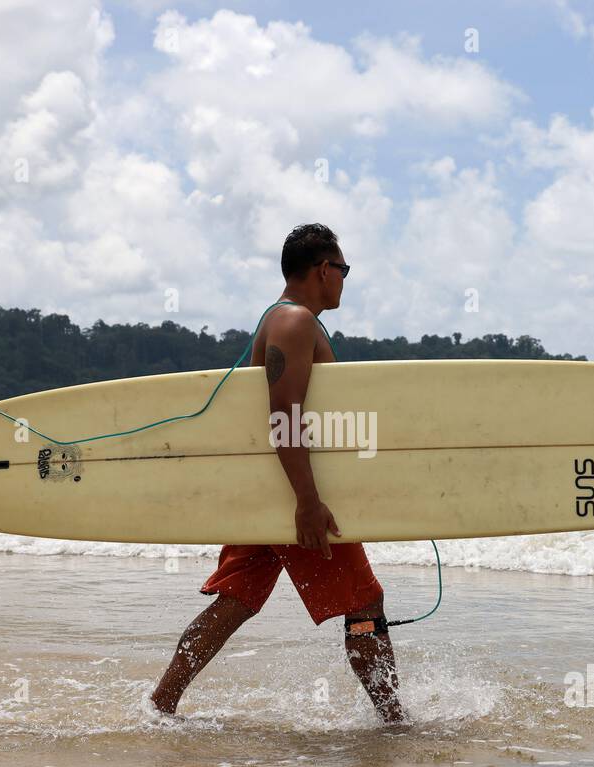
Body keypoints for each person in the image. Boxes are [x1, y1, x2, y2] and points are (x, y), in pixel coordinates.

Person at [149, 223, 406, 724]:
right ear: (323, 269)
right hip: (294, 495)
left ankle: (161, 704)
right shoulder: (294, 322)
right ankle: (394, 721)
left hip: (268, 490)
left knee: (235, 600)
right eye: (344, 270)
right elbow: (283, 415)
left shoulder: (282, 320)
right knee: (366, 604)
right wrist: (307, 503)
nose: (345, 280)